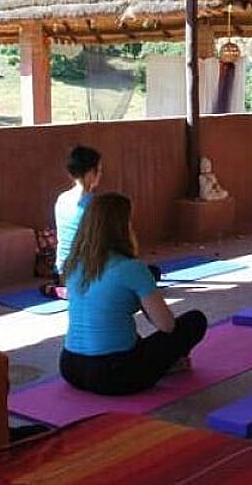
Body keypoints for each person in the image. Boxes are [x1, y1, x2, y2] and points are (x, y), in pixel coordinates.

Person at [59, 192, 208, 395]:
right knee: (194, 321)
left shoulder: (73, 264)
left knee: (125, 333)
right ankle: (170, 365)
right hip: (114, 375)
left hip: (70, 367)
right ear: (123, 227)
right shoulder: (131, 268)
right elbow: (166, 325)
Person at [54, 145, 102, 278]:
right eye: (99, 170)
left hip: (63, 271)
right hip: (86, 273)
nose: (100, 174)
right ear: (91, 173)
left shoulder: (61, 199)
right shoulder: (95, 204)